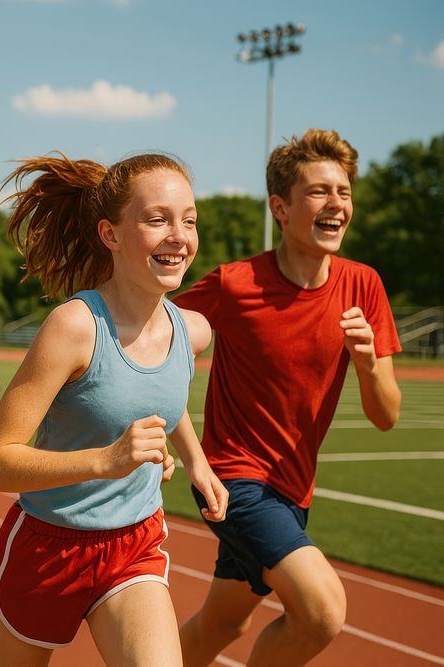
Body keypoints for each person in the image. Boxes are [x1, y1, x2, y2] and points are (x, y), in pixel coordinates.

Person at [0, 152, 229, 667]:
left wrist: (198, 463)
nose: (179, 235)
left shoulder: (192, 332)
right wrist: (107, 460)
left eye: (189, 219)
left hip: (135, 543)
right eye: (157, 219)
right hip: (48, 547)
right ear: (110, 235)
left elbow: (162, 396)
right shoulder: (75, 327)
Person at [175, 129, 402, 666]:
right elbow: (154, 337)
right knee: (322, 611)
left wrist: (368, 364)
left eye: (344, 192)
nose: (337, 204)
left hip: (294, 491)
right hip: (233, 481)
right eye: (320, 191)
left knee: (223, 623)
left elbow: (385, 416)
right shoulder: (234, 284)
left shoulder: (363, 285)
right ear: (280, 206)